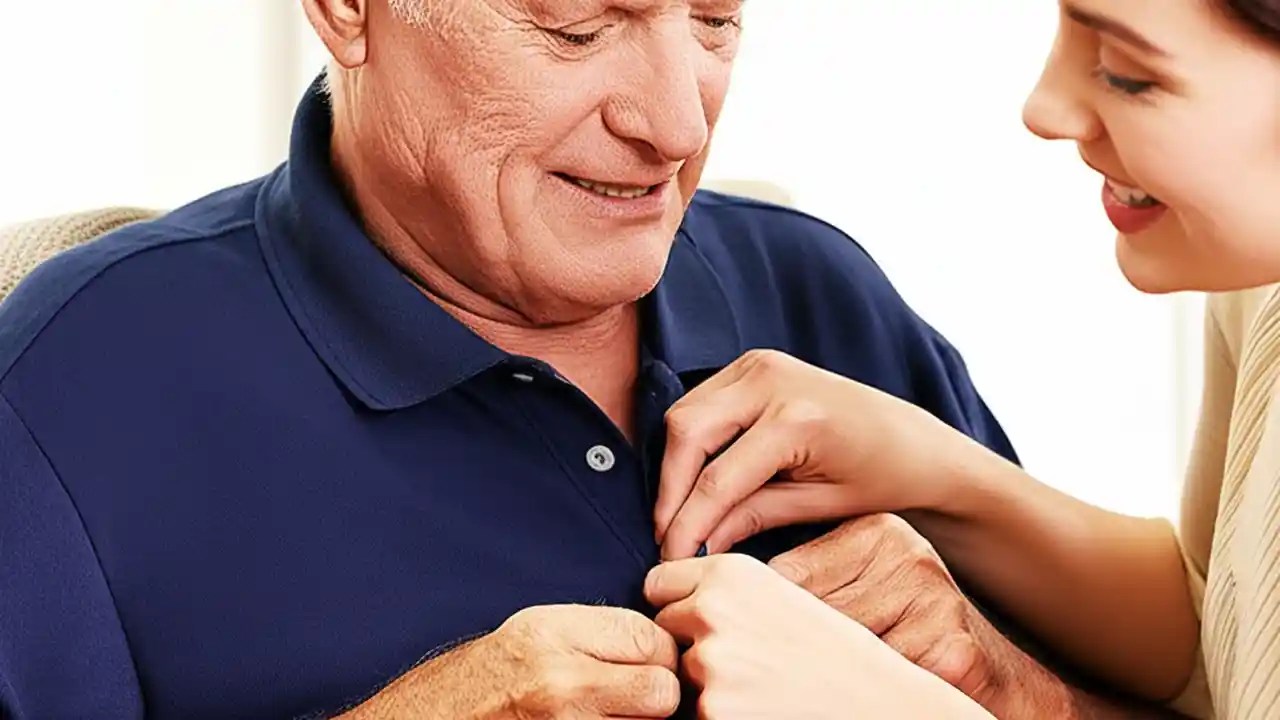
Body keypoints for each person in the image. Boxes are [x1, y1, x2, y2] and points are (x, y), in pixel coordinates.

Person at [0, 1, 1055, 718]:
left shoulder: (823, 298)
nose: (677, 123)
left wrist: (1003, 686)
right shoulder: (66, 390)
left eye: (714, 20)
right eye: (577, 25)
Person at [648, 0, 1280, 718]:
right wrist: (937, 477)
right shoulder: (1257, 283)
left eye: (1127, 74)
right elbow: (1223, 627)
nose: (1044, 107)